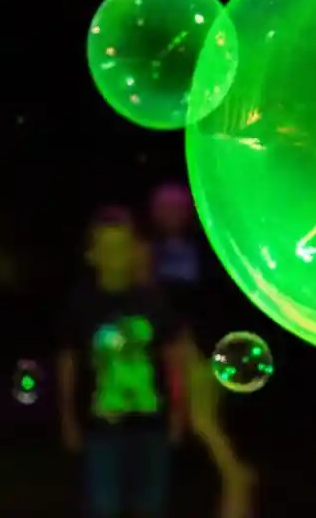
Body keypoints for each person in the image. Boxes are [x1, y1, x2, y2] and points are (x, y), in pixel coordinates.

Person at [57, 205, 187, 518]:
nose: (116, 255)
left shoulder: (153, 302)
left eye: (123, 246)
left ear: (134, 251)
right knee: (104, 504)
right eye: (108, 248)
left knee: (151, 504)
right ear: (92, 255)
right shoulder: (80, 304)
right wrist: (68, 419)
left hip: (151, 424)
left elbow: (173, 361)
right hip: (102, 427)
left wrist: (178, 413)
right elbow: (68, 365)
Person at [148, 181, 255, 518]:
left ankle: (236, 477)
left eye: (178, 208)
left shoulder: (206, 248)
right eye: (165, 208)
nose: (171, 215)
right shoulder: (151, 251)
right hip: (164, 351)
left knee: (202, 420)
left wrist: (196, 345)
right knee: (180, 425)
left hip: (200, 349)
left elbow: (212, 304)